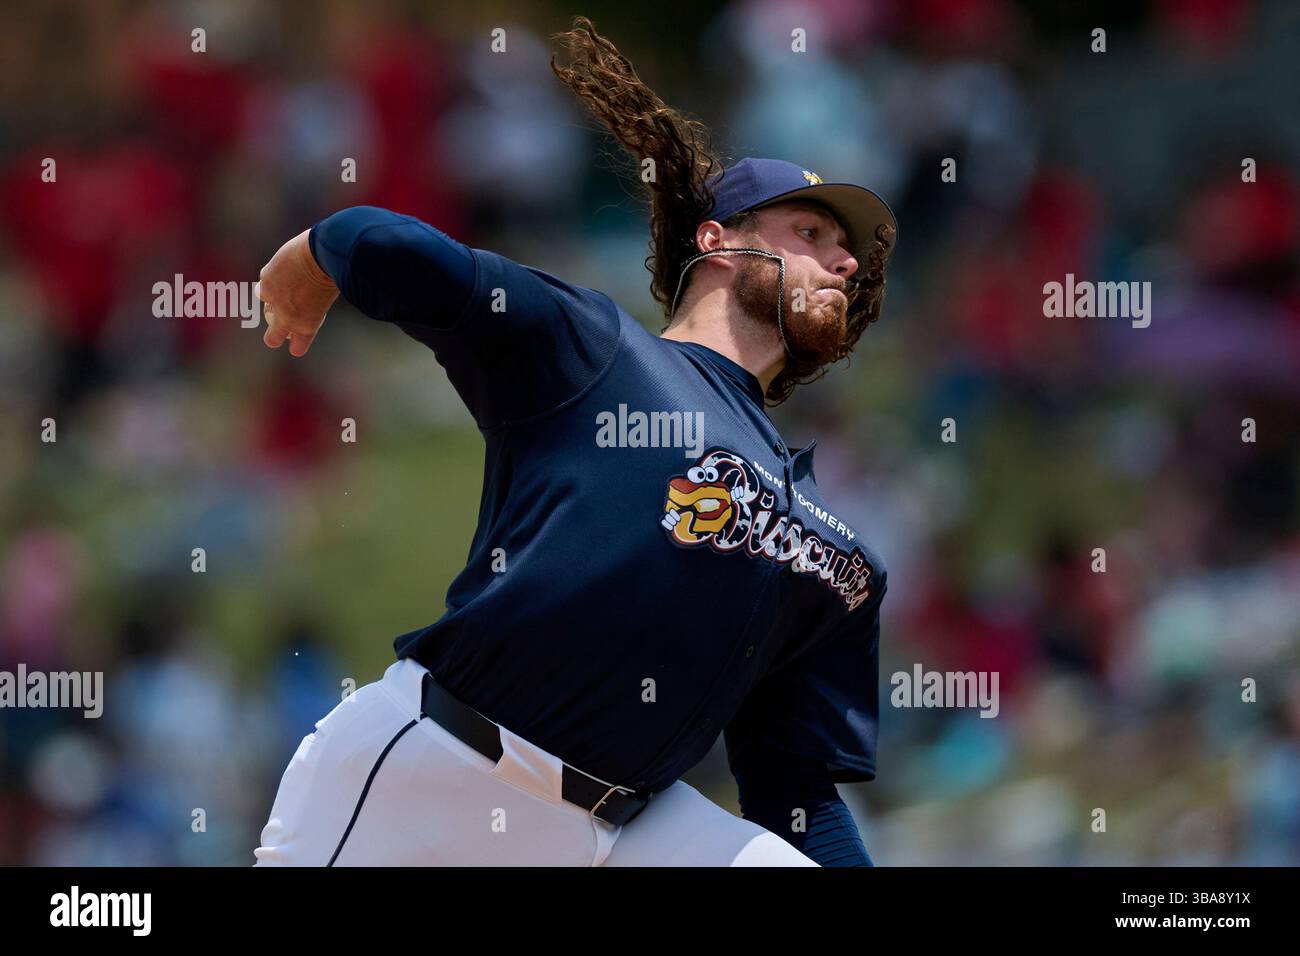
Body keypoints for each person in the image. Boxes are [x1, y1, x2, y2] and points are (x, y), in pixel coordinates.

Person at [252, 17, 895, 867]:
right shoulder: (596, 352)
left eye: (847, 254)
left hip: (620, 833)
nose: (841, 262)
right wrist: (315, 251)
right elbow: (402, 253)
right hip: (436, 779)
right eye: (810, 233)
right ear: (717, 242)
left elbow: (792, 790)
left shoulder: (832, 551)